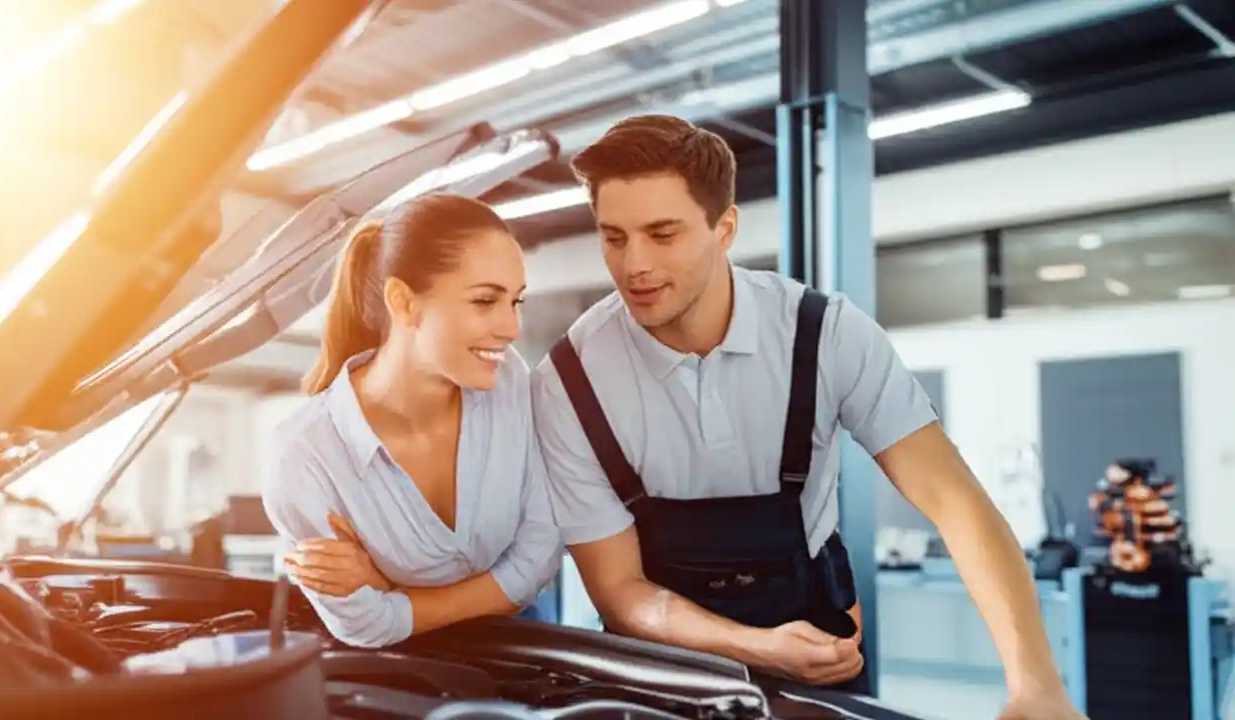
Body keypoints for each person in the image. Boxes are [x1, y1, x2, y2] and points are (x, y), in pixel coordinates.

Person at [529, 115, 1086, 719]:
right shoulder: (568, 380)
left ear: (725, 229)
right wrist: (757, 648)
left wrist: (1036, 685)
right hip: (658, 668)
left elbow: (956, 501)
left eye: (663, 234)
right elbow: (620, 594)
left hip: (819, 654)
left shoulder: (824, 334)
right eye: (614, 237)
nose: (633, 264)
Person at [262, 192, 562, 648]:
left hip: (523, 650)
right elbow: (363, 625)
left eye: (515, 301)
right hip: (402, 676)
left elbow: (540, 555)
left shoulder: (511, 380)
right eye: (485, 301)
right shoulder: (305, 456)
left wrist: (390, 589)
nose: (512, 327)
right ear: (403, 302)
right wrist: (482, 592)